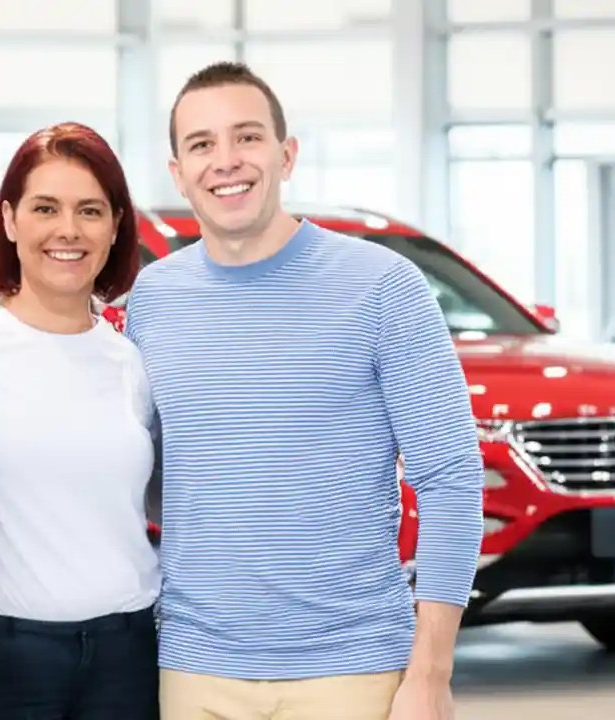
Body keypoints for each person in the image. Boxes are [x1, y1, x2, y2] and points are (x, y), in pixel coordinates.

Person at [124, 61, 485, 720]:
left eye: (247, 137)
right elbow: (156, 474)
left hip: (351, 668)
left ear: (286, 155)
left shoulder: (383, 286)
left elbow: (452, 479)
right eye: (202, 144)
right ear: (178, 172)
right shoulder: (154, 298)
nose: (226, 161)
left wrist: (431, 675)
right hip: (194, 666)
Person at [0, 122, 161, 719]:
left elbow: (166, 499)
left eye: (89, 211)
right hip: (1, 657)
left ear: (115, 226)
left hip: (127, 651)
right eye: (45, 208)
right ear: (10, 219)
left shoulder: (134, 356)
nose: (68, 230)